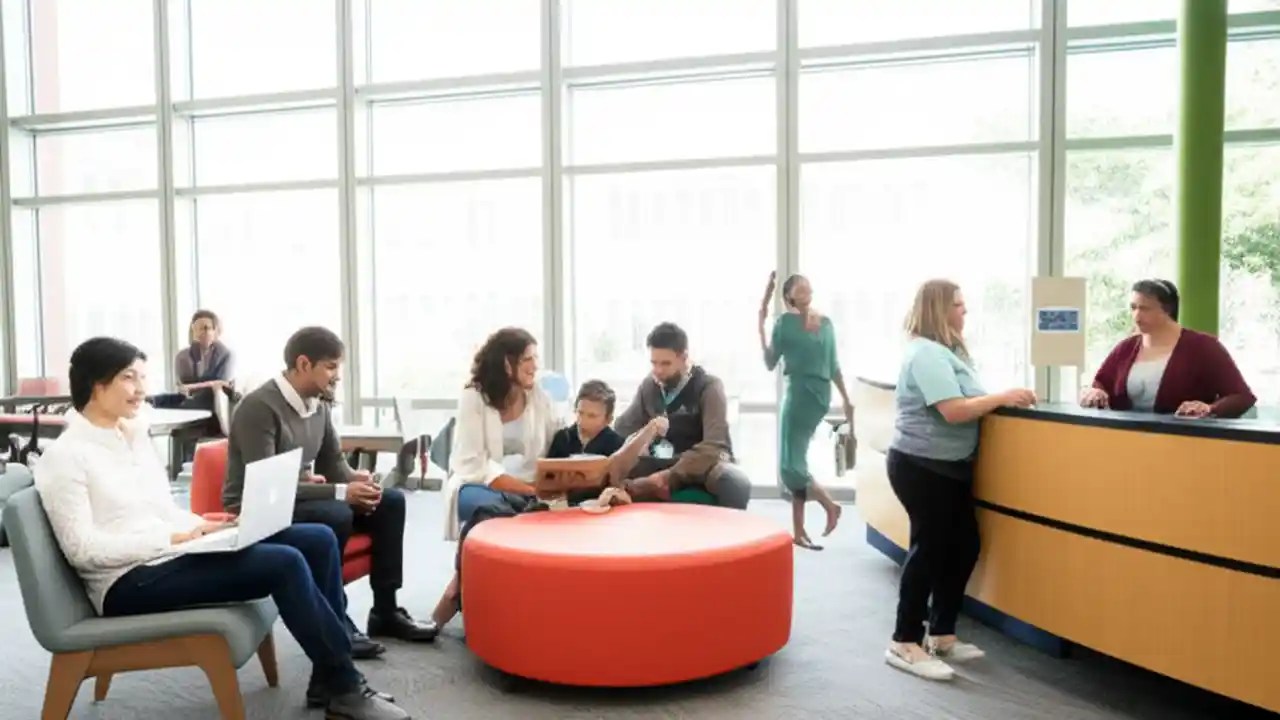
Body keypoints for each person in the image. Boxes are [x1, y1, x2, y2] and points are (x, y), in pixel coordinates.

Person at [33, 337, 408, 720]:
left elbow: (159, 510)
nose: (142, 390)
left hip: (167, 555)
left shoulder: (130, 438)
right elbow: (83, 549)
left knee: (316, 538)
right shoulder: (67, 457)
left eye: (142, 377)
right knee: (284, 564)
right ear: (96, 384)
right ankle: (344, 685)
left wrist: (203, 524)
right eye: (130, 378)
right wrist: (171, 538)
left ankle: (326, 676)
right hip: (127, 581)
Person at [225, 327, 437, 666]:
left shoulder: (318, 405)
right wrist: (342, 491)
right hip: (256, 506)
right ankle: (335, 619)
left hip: (298, 496)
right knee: (336, 514)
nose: (338, 376)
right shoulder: (258, 407)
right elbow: (267, 485)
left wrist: (358, 480)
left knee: (390, 501)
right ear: (303, 363)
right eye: (331, 367)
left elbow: (334, 464)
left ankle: (385, 611)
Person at [432, 332, 666, 628]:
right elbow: (473, 463)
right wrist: (530, 490)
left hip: (531, 488)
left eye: (535, 358)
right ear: (507, 364)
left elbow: (559, 437)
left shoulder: (537, 396)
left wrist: (578, 468)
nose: (534, 365)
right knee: (488, 509)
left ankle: (466, 585)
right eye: (527, 358)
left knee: (512, 514)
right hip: (479, 483)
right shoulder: (474, 397)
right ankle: (461, 586)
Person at [884, 280, 1037, 682]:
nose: (964, 311)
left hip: (946, 466)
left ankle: (942, 633)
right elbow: (952, 411)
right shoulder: (926, 353)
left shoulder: (946, 353)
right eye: (958, 305)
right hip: (921, 465)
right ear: (938, 310)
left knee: (965, 544)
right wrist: (1003, 397)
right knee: (929, 548)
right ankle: (904, 640)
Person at [613, 322, 752, 509]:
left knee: (735, 483)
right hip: (661, 461)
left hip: (700, 465)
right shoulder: (650, 386)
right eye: (654, 363)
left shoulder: (709, 387)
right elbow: (623, 428)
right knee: (613, 469)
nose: (658, 370)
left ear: (684, 357)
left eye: (666, 363)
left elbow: (714, 444)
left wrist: (667, 477)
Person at [758, 272, 851, 550]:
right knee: (796, 458)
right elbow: (832, 365)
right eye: (799, 285)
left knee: (790, 466)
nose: (805, 286)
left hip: (801, 394)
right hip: (816, 394)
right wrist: (845, 397)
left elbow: (770, 361)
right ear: (790, 296)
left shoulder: (797, 323)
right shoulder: (812, 323)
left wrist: (760, 327)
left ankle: (829, 505)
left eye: (807, 284)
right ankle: (798, 531)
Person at [1080, 279, 1255, 418]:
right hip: (1129, 441)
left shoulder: (1204, 347)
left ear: (1167, 310)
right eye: (1133, 308)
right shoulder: (1125, 348)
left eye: (1145, 309)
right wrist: (1095, 392)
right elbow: (1101, 382)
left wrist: (1210, 409)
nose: (1136, 316)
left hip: (1185, 442)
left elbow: (1242, 397)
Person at [174, 309, 236, 408]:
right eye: (197, 328)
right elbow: (182, 388)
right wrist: (210, 384)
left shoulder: (226, 354)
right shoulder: (182, 357)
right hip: (190, 404)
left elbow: (222, 385)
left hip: (218, 405)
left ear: (215, 331)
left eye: (206, 328)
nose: (201, 332)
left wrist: (193, 387)